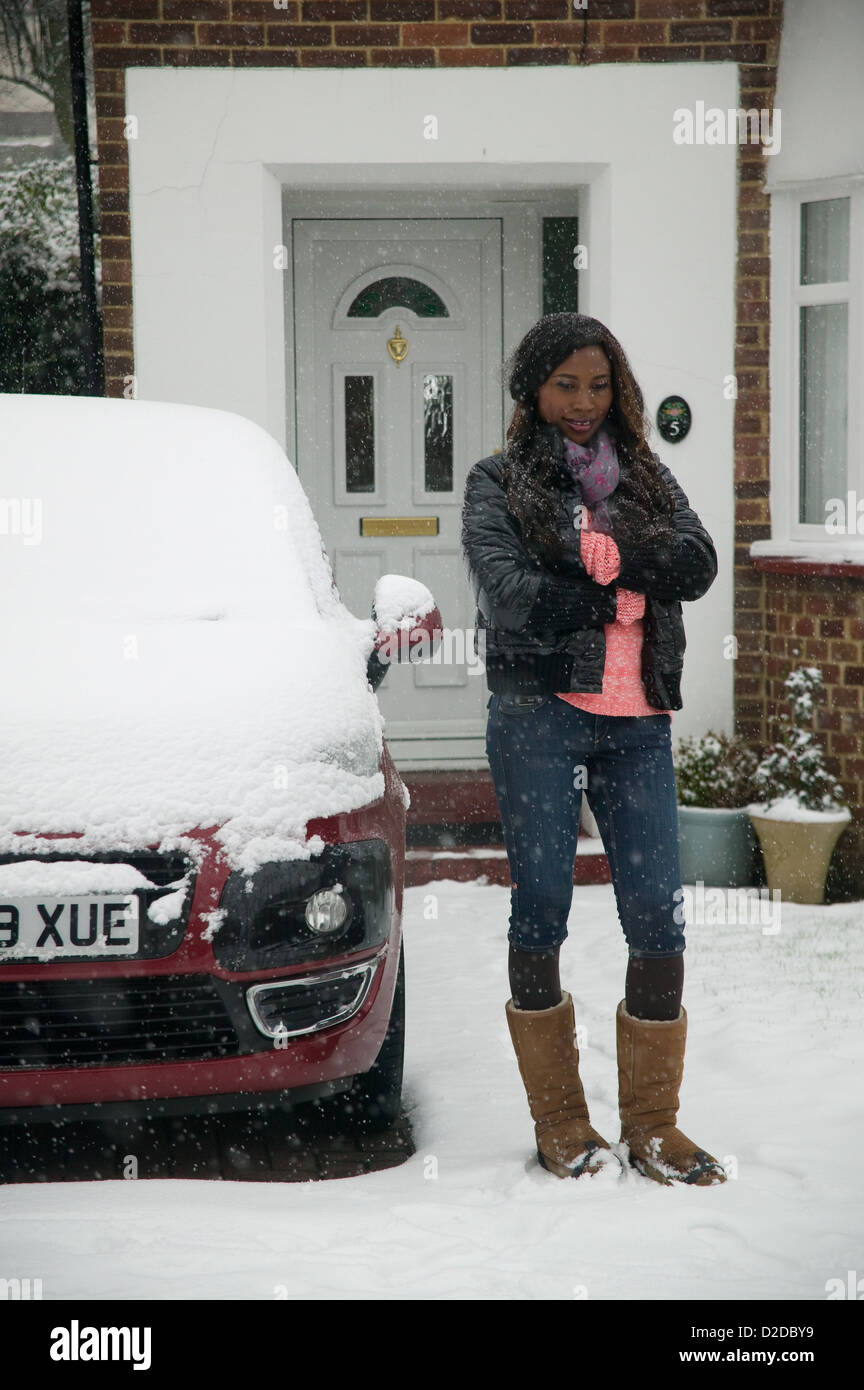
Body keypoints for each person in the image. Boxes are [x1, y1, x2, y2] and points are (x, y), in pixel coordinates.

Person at [460, 312, 727, 1186]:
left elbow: (695, 563)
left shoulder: (646, 475)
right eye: (566, 384)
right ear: (534, 389)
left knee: (657, 915)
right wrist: (602, 584)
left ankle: (653, 1124)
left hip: (638, 720)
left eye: (600, 385)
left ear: (621, 391)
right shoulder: (498, 482)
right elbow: (508, 595)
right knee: (542, 908)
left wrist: (612, 555)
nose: (583, 403)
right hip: (539, 715)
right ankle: (562, 1121)